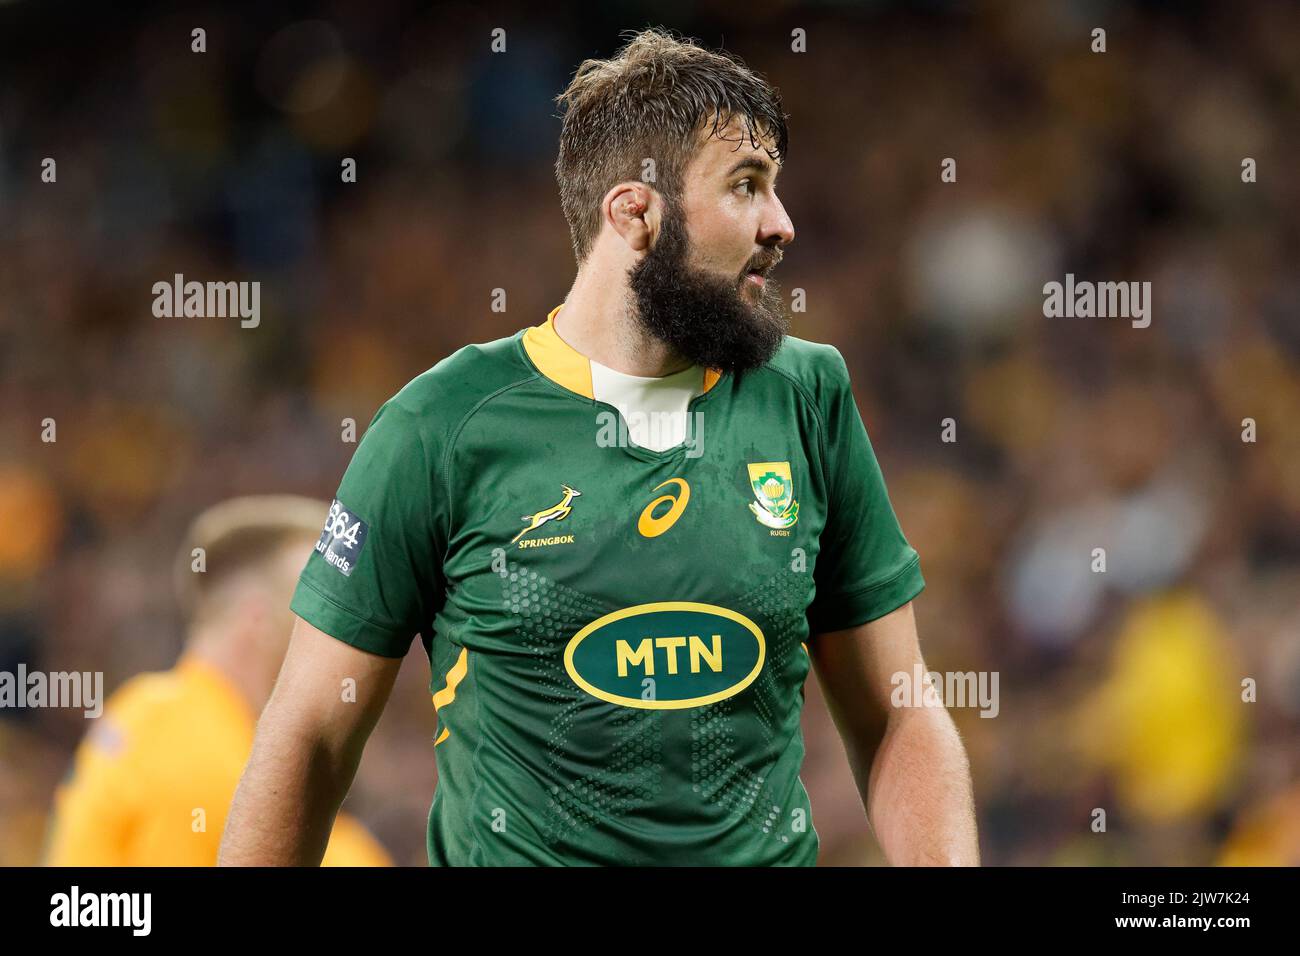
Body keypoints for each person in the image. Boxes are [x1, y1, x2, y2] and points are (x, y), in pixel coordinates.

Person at [221, 28, 977, 867]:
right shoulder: (441, 426)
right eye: (746, 186)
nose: (782, 224)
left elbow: (899, 713)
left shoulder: (807, 397)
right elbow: (310, 738)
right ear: (636, 215)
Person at [45, 496, 391, 867]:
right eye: (320, 608)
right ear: (255, 620)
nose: (339, 632)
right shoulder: (198, 751)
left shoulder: (150, 711)